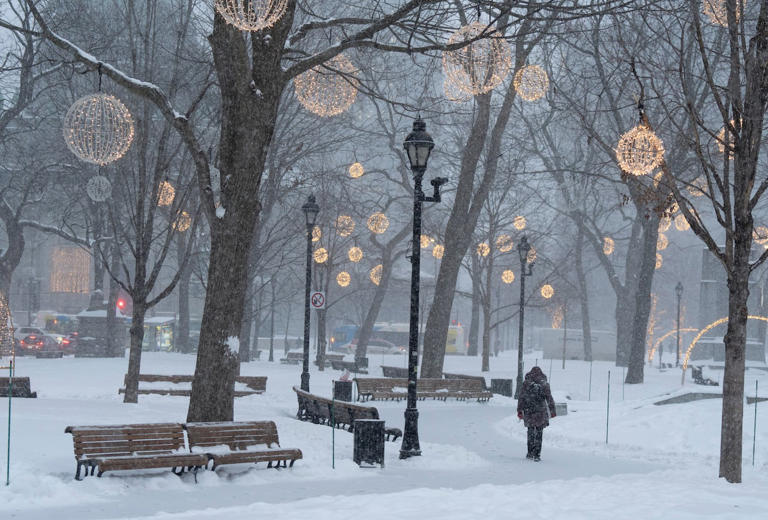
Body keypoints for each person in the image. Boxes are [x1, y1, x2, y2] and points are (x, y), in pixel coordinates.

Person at [516, 366, 556, 461]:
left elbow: (521, 398)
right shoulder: (544, 384)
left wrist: (519, 411)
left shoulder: (526, 383)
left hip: (529, 411)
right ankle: (537, 454)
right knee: (539, 433)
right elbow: (549, 398)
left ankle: (530, 453)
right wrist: (552, 411)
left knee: (530, 432)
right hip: (540, 411)